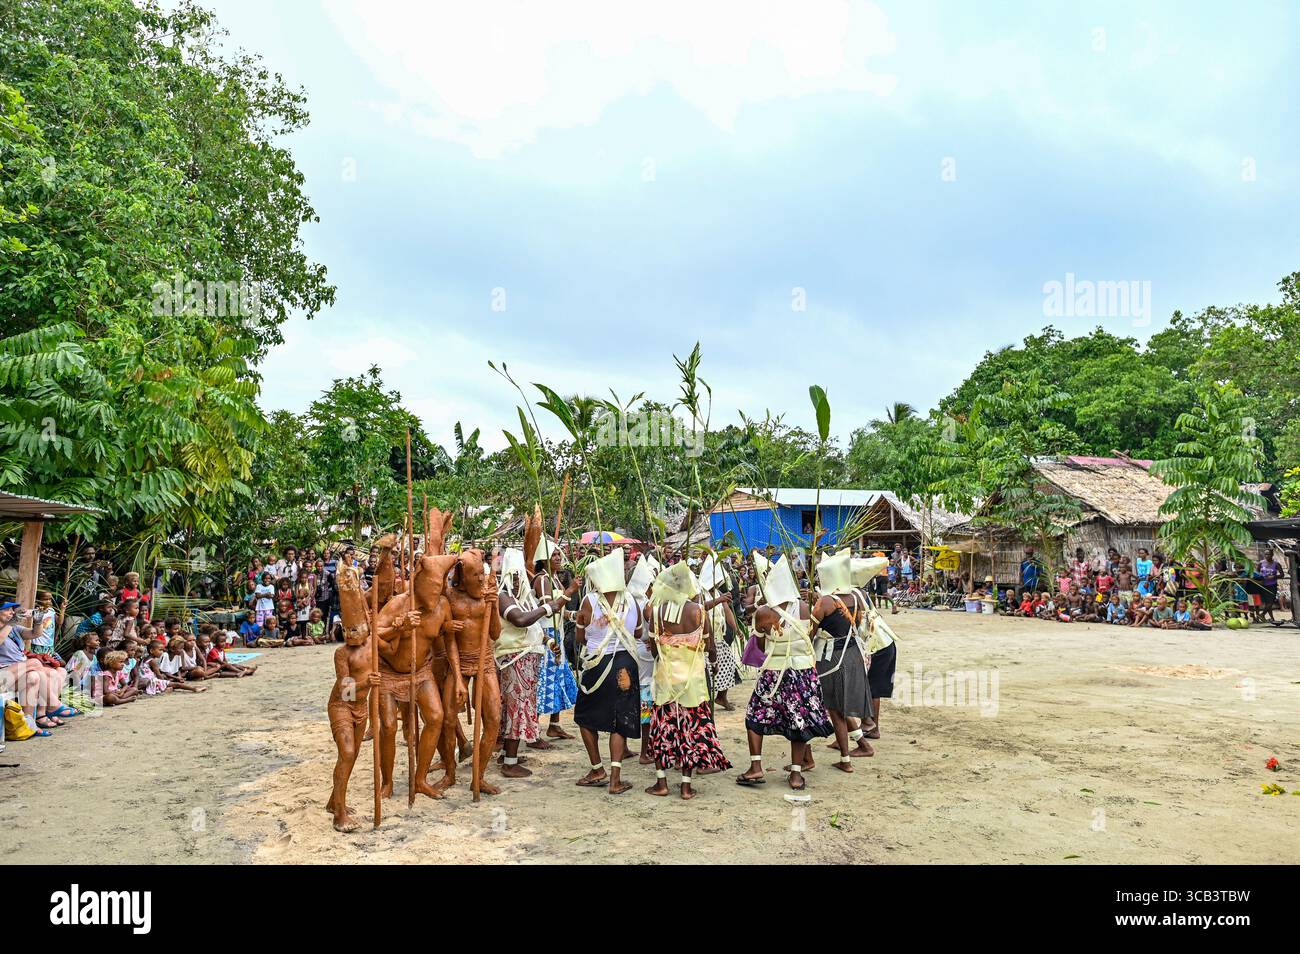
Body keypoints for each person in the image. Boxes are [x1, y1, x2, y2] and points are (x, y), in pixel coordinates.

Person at [737, 553, 833, 792]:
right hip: (802, 673)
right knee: (798, 722)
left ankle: (756, 766)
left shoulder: (763, 612)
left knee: (754, 716)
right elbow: (809, 636)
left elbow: (759, 647)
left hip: (774, 673)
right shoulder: (805, 606)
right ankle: (796, 775)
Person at [643, 560, 731, 799]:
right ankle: (685, 786)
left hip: (666, 680)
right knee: (690, 729)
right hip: (692, 680)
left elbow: (653, 651)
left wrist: (671, 647)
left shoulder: (657, 612)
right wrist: (706, 656)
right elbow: (710, 647)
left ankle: (661, 783)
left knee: (663, 728)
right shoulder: (698, 611)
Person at [495, 546, 580, 778]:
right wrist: (547, 607)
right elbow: (521, 620)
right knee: (515, 709)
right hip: (514, 660)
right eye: (511, 577)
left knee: (520, 707)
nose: (514, 581)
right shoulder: (502, 598)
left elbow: (531, 626)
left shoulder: (520, 598)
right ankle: (509, 763)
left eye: (517, 576)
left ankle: (507, 754)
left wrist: (547, 641)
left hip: (527, 659)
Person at [573, 548, 644, 795]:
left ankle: (597, 768)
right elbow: (637, 633)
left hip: (598, 665)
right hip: (625, 666)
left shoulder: (589, 601)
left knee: (584, 716)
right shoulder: (632, 600)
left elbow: (580, 636)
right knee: (620, 721)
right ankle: (615, 779)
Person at [809, 549, 872, 772]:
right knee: (841, 706)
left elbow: (810, 633)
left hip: (832, 657)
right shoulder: (856, 595)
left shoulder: (826, 602)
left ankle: (846, 760)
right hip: (853, 653)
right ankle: (862, 744)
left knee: (834, 708)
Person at [531, 537, 580, 742]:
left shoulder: (555, 578)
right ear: (544, 559)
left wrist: (575, 616)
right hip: (545, 636)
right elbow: (549, 610)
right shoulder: (542, 579)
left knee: (558, 679)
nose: (558, 557)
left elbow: (561, 611)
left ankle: (554, 725)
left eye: (559, 553)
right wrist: (570, 591)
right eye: (553, 555)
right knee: (543, 682)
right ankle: (533, 732)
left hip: (557, 634)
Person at [697, 553, 740, 711]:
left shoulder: (716, 592)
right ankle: (706, 700)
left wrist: (736, 630)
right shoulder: (699, 591)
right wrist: (720, 600)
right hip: (706, 638)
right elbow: (700, 608)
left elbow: (727, 610)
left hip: (719, 636)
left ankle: (722, 697)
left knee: (728, 664)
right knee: (708, 670)